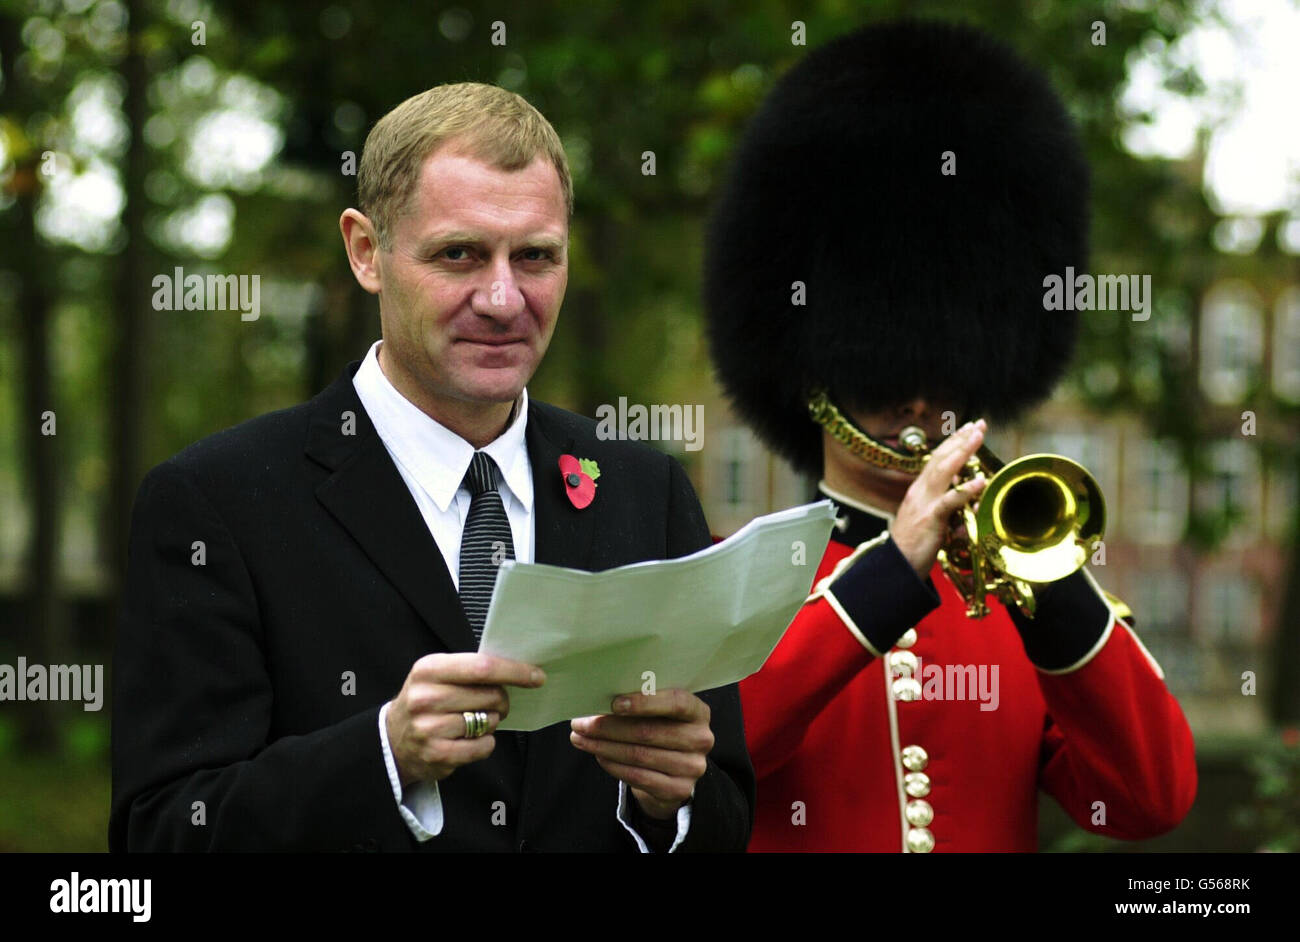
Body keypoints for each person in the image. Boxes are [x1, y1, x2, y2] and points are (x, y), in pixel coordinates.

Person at [110, 82, 753, 852]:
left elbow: (724, 814)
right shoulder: (219, 504)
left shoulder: (646, 493)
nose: (503, 297)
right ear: (365, 251)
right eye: (460, 254)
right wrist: (382, 757)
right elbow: (160, 835)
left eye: (536, 256)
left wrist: (670, 804)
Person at [703, 21, 1196, 852]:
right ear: (811, 377)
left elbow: (1150, 797)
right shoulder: (738, 582)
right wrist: (888, 573)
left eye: (947, 375)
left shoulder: (1016, 598)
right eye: (884, 375)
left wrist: (1054, 577)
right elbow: (725, 746)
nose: (919, 406)